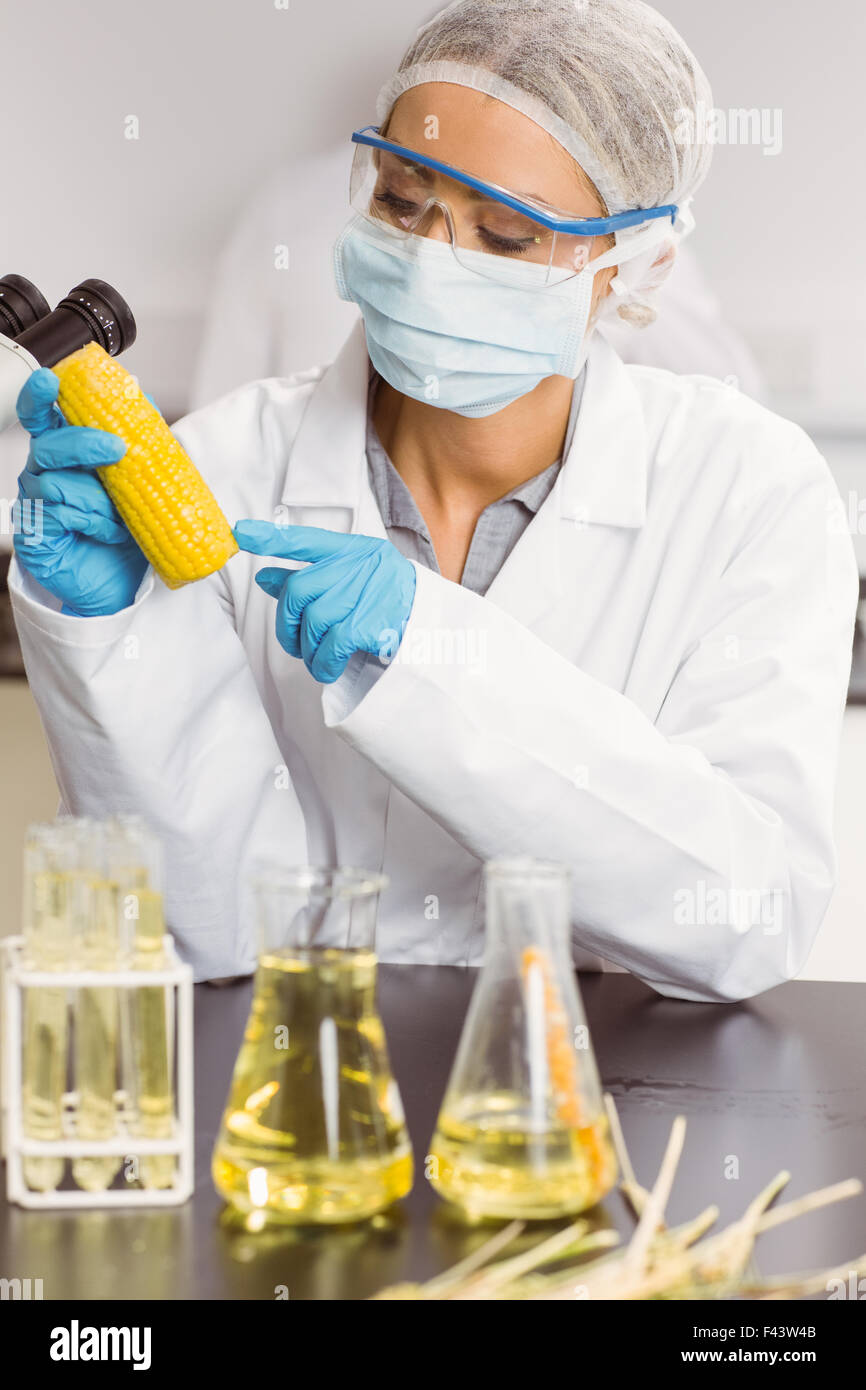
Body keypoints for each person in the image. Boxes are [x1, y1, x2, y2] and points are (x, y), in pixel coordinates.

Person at [9, 0, 857, 1003]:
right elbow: (214, 925)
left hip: (593, 1102)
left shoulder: (748, 491)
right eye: (403, 202)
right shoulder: (226, 462)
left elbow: (740, 925)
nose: (429, 258)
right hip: (304, 1091)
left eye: (503, 235)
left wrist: (434, 657)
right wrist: (110, 639)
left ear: (633, 267)